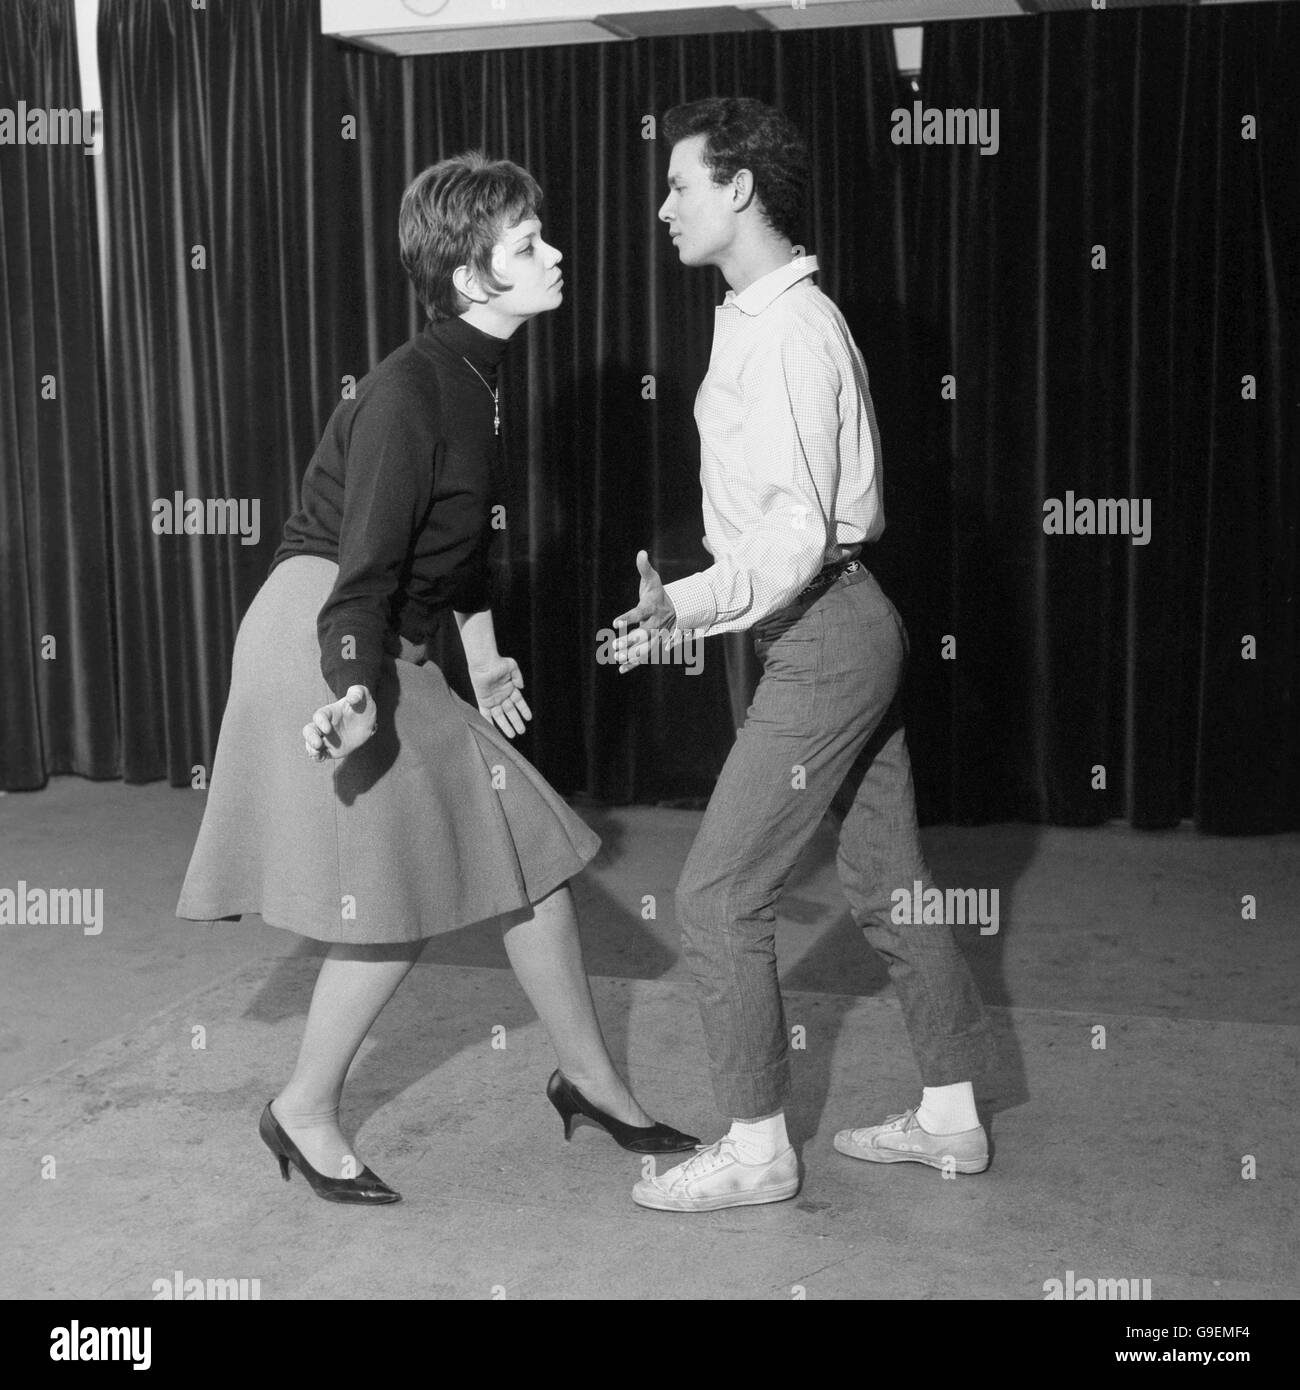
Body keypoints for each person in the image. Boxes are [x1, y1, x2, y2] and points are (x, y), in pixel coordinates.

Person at [177, 153, 696, 1206]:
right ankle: (303, 1111)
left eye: (541, 235)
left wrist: (486, 653)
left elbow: (451, 552)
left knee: (526, 853)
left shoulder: (478, 380)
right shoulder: (413, 392)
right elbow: (364, 572)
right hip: (324, 632)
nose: (553, 254)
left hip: (375, 634)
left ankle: (591, 1081)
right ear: (471, 277)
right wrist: (356, 686)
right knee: (399, 893)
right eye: (525, 246)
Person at [612, 98, 996, 1213]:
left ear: (736, 190)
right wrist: (695, 608)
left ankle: (754, 1146)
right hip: (840, 622)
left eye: (680, 184)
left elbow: (787, 532)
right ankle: (953, 1120)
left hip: (822, 629)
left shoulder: (786, 329)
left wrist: (684, 601)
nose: (663, 205)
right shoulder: (766, 316)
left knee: (717, 893)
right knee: (890, 886)